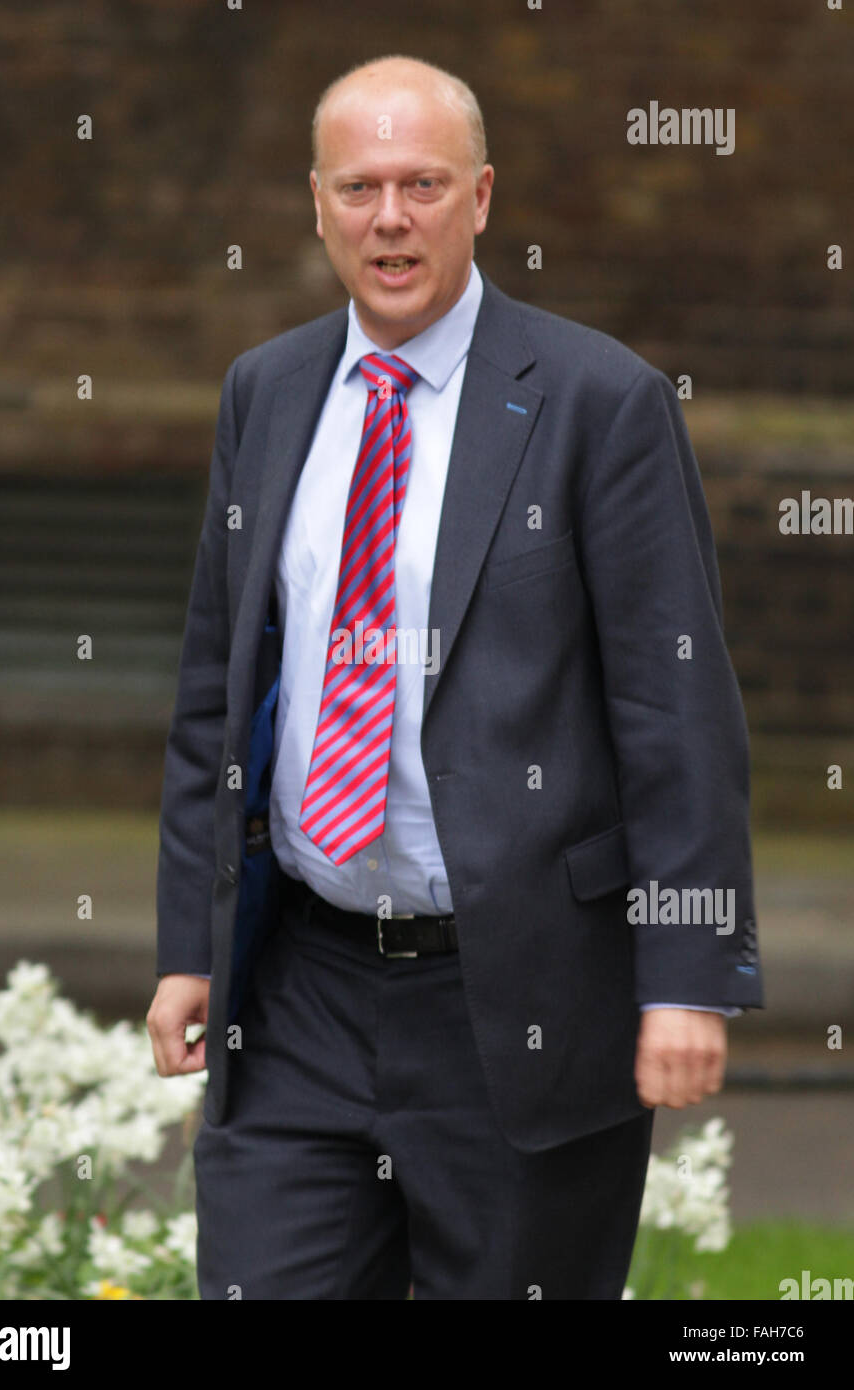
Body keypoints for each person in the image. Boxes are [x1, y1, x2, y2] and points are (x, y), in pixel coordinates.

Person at [146, 54, 763, 1300]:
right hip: (302, 993)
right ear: (315, 203)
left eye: (421, 183)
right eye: (360, 186)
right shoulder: (265, 393)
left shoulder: (601, 402)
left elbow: (672, 706)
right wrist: (187, 947)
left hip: (520, 1000)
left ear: (479, 197)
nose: (390, 217)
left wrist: (689, 974)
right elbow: (218, 683)